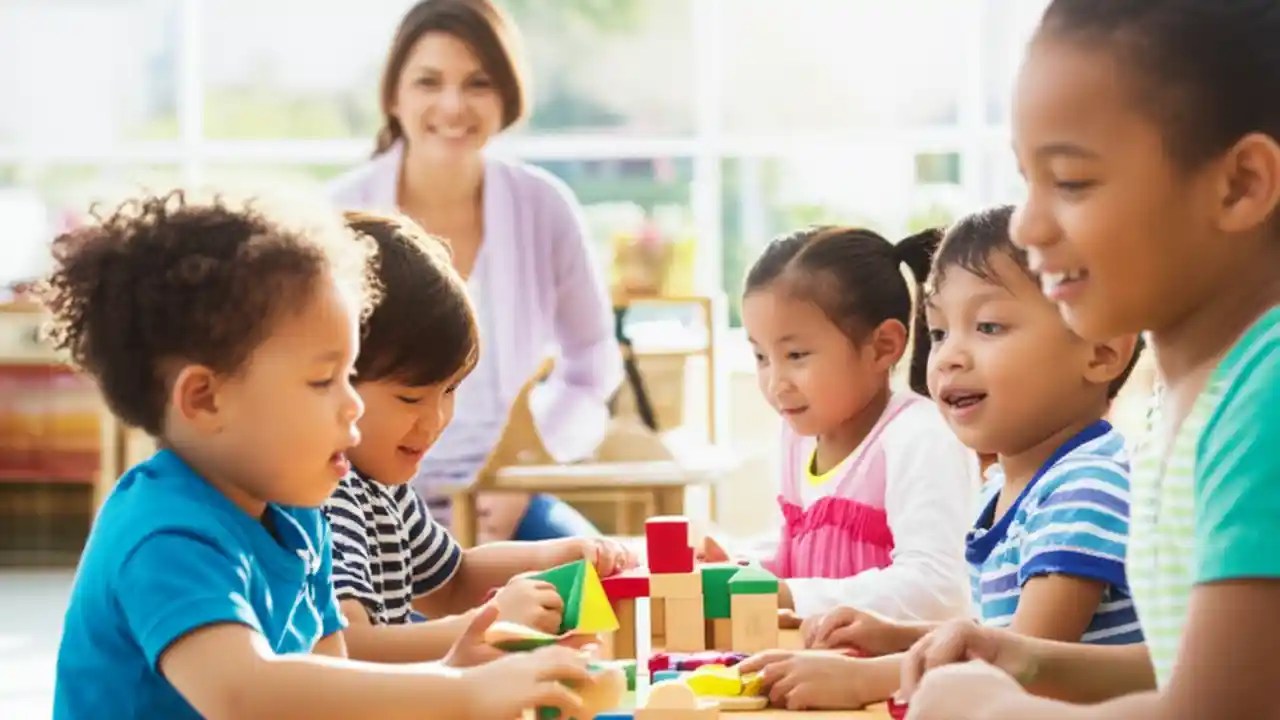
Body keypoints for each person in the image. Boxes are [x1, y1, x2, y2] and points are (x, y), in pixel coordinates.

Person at [46, 192, 592, 719]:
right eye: (324, 380)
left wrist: (455, 668)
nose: (353, 404)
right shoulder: (163, 535)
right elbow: (244, 694)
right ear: (206, 399)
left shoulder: (299, 514)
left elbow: (334, 682)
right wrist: (463, 692)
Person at [899, 2, 1280, 719]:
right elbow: (1191, 664)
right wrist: (1028, 659)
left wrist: (989, 710)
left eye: (1070, 182)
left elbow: (1222, 707)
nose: (1027, 224)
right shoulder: (1192, 399)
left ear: (1239, 185)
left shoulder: (1269, 397)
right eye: (1026, 181)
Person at [742, 207, 1144, 710]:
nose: (950, 356)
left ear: (1101, 352)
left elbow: (1025, 660)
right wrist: (897, 635)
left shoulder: (1088, 484)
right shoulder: (1007, 486)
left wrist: (861, 678)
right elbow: (995, 636)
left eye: (989, 326)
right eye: (938, 333)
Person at [328, 0, 622, 542]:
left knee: (598, 591)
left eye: (478, 83)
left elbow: (593, 368)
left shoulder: (544, 206)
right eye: (429, 81)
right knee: (412, 623)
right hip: (362, 497)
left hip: (507, 494)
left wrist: (527, 470)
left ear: (507, 96)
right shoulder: (338, 213)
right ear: (394, 95)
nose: (453, 104)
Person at [327, 211, 635, 662]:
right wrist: (490, 622)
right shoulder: (329, 495)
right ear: (334, 380)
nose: (434, 421)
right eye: (411, 399)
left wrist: (556, 556)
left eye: (449, 391)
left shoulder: (380, 487)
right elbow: (348, 648)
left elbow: (452, 581)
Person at [737, 225, 980, 625]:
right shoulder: (797, 439)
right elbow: (793, 549)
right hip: (815, 669)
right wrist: (740, 569)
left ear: (883, 346)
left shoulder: (919, 437)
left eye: (796, 354)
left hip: (890, 677)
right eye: (761, 357)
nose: (775, 382)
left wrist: (790, 595)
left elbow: (937, 590)